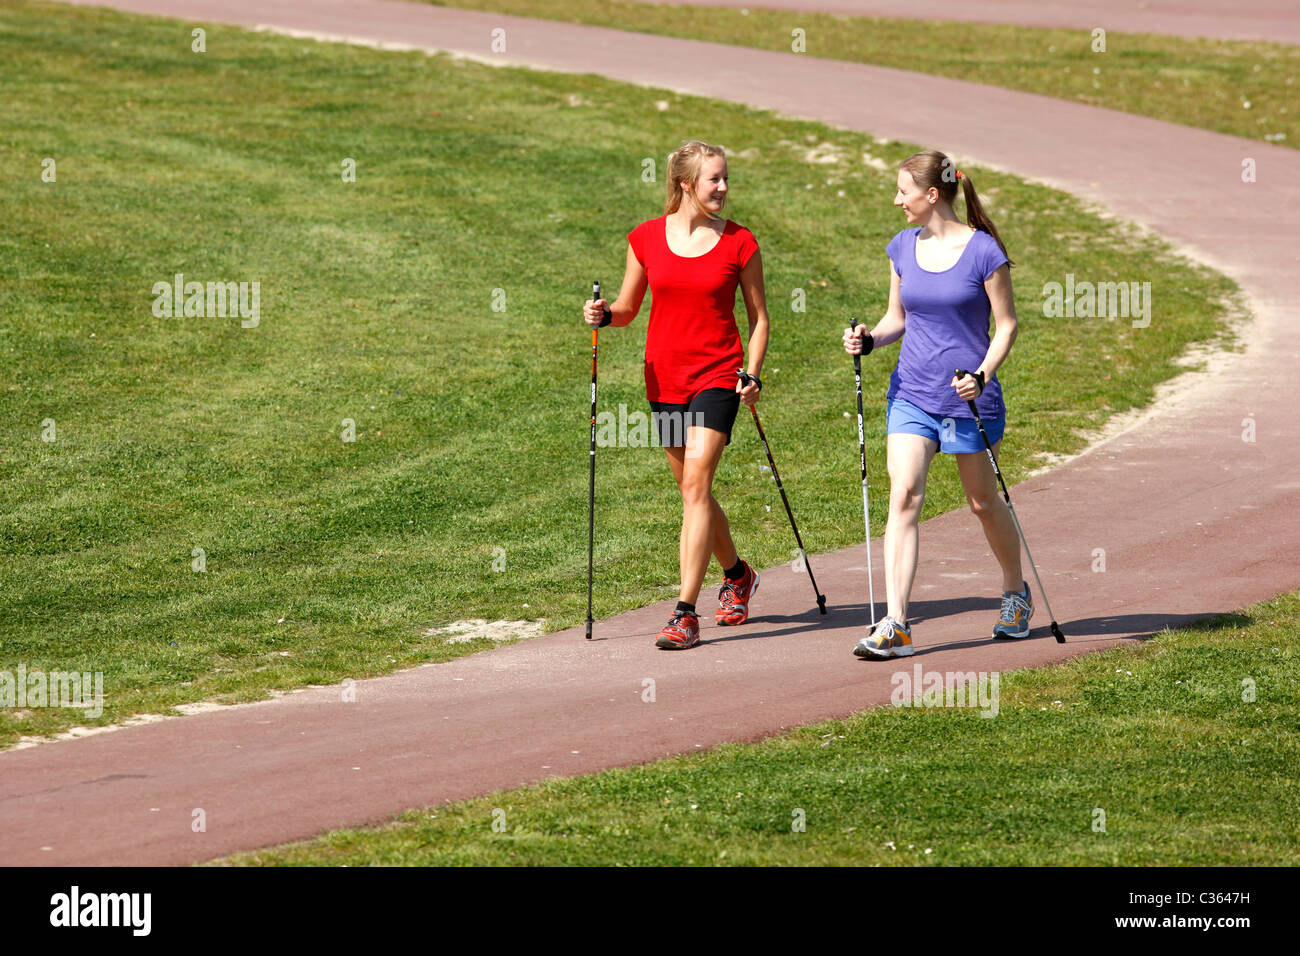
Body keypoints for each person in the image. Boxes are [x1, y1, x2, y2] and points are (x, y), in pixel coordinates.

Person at [843, 149, 1032, 659]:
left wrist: (982, 375)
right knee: (904, 495)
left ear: (931, 195)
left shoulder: (983, 252)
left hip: (968, 397)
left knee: (982, 503)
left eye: (903, 191)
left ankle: (1015, 593)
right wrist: (869, 339)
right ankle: (896, 623)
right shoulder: (902, 247)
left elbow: (1007, 324)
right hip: (912, 393)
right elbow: (896, 318)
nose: (895, 199)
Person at [583, 140, 769, 650]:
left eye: (726, 178)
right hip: (663, 379)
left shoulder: (740, 243)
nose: (725, 188)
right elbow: (627, 307)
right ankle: (737, 574)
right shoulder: (645, 239)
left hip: (718, 375)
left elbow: (759, 321)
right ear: (686, 183)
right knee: (694, 492)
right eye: (715, 180)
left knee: (695, 488)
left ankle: (685, 613)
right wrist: (604, 315)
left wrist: (751, 374)